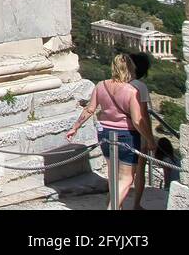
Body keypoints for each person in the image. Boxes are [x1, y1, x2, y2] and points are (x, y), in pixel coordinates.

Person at [66, 53, 154, 210]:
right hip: (127, 135)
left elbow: (90, 109)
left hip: (105, 133)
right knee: (126, 178)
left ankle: (115, 205)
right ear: (130, 68)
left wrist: (75, 127)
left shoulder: (101, 85)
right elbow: (137, 120)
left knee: (113, 176)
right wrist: (150, 139)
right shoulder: (132, 90)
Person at [129, 52, 155, 209]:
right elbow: (144, 115)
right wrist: (150, 138)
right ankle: (136, 204)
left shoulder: (116, 83)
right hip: (138, 132)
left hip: (118, 130)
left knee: (121, 172)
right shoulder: (140, 87)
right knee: (140, 170)